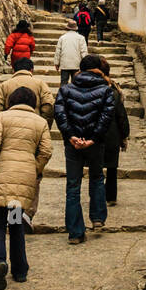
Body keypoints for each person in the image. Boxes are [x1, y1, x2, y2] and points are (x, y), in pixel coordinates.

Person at [0, 87, 52, 290]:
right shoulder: (40, 122)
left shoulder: (2, 117)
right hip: (24, 176)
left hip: (4, 174)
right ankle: (20, 270)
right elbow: (46, 151)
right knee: (15, 224)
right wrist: (35, 168)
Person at [54, 54, 116, 244]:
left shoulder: (65, 90)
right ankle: (97, 218)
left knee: (73, 186)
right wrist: (93, 139)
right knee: (97, 177)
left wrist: (71, 136)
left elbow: (60, 114)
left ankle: (75, 233)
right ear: (98, 69)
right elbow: (106, 117)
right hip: (95, 144)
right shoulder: (106, 91)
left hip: (72, 145)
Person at [96, 55, 129, 206]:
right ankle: (111, 196)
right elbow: (121, 115)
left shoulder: (92, 89)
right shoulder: (115, 90)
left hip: (95, 133)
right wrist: (124, 135)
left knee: (96, 167)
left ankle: (97, 195)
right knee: (112, 167)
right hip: (112, 133)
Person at [0, 58, 54, 126]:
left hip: (9, 125)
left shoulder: (4, 85)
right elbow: (48, 106)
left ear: (14, 70)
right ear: (32, 70)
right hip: (34, 124)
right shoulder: (40, 84)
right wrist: (43, 125)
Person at [54, 20, 87, 85]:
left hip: (64, 64)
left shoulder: (62, 38)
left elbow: (58, 51)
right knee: (75, 83)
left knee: (63, 83)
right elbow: (84, 52)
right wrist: (85, 65)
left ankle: (63, 95)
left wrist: (56, 63)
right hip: (76, 64)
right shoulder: (81, 38)